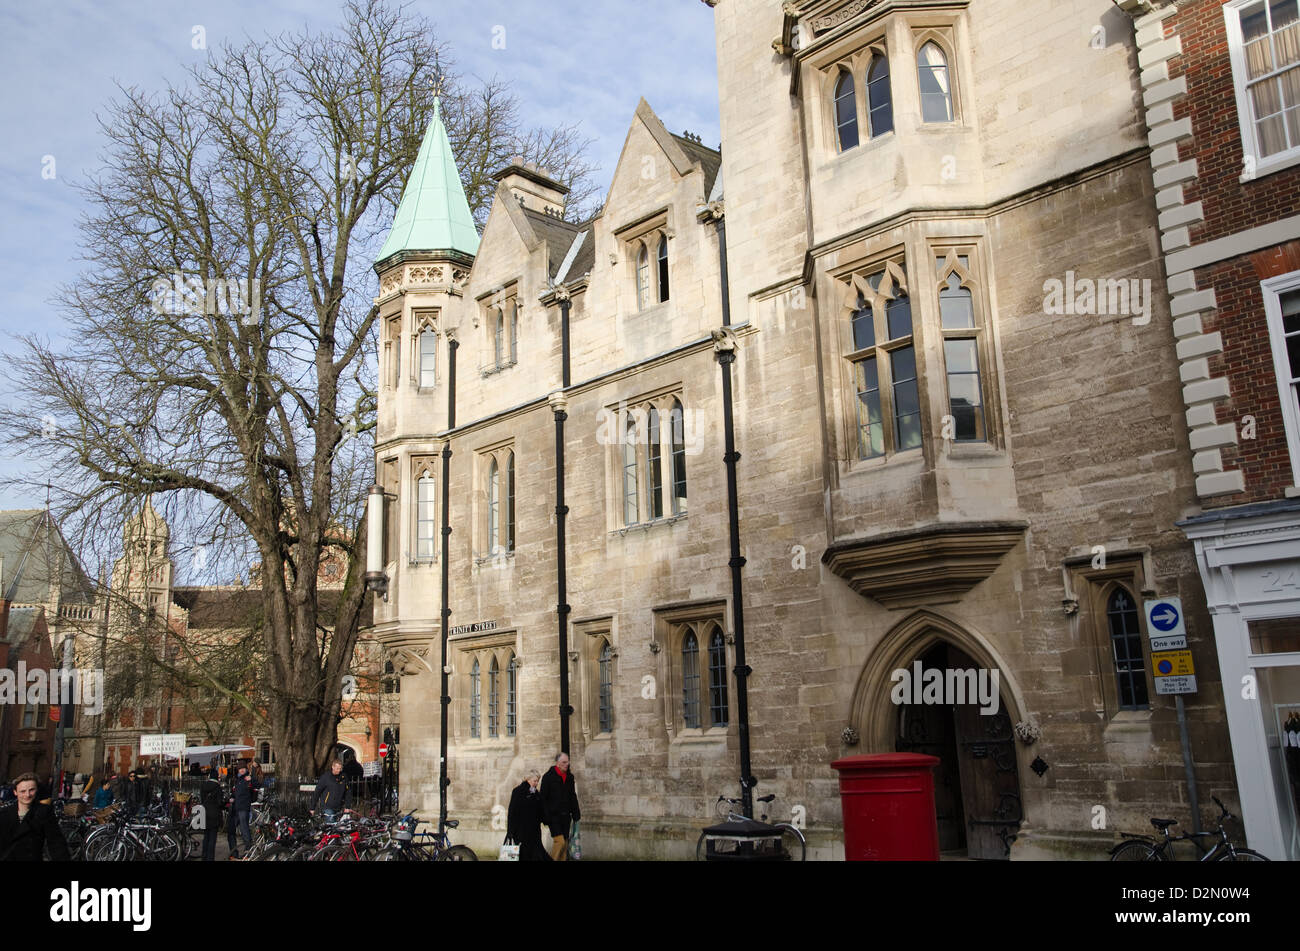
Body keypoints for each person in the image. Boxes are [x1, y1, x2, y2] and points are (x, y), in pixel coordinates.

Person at [0, 773, 71, 861]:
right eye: (22, 791)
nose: (27, 795)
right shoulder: (4, 813)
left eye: (31, 790)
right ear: (15, 792)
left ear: (37, 789)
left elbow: (56, 842)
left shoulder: (44, 812)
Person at [539, 752, 581, 861]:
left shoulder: (570, 777)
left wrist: (576, 813)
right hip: (553, 817)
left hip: (566, 816)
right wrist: (545, 816)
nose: (567, 764)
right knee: (559, 841)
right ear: (557, 763)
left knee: (565, 843)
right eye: (564, 762)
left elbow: (572, 796)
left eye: (568, 762)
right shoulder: (548, 777)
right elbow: (542, 798)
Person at [506, 769, 550, 862]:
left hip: (534, 833)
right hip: (520, 833)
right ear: (528, 779)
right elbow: (512, 813)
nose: (537, 783)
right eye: (535, 780)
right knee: (522, 856)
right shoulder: (518, 792)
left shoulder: (537, 794)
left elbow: (541, 812)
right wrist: (510, 831)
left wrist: (548, 820)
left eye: (538, 781)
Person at [226, 765, 259, 859]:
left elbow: (258, 785)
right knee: (231, 832)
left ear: (246, 769)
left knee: (245, 831)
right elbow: (233, 793)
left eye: (243, 768)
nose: (241, 770)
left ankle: (248, 853)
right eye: (240, 769)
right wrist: (231, 797)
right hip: (235, 809)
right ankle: (234, 853)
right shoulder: (237, 780)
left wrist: (251, 779)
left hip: (243, 808)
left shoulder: (248, 779)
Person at [199, 768, 224, 862]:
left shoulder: (203, 785)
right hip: (214, 814)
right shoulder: (218, 787)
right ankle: (210, 858)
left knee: (206, 837)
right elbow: (219, 802)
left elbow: (202, 799)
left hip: (204, 813)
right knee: (212, 839)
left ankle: (204, 857)